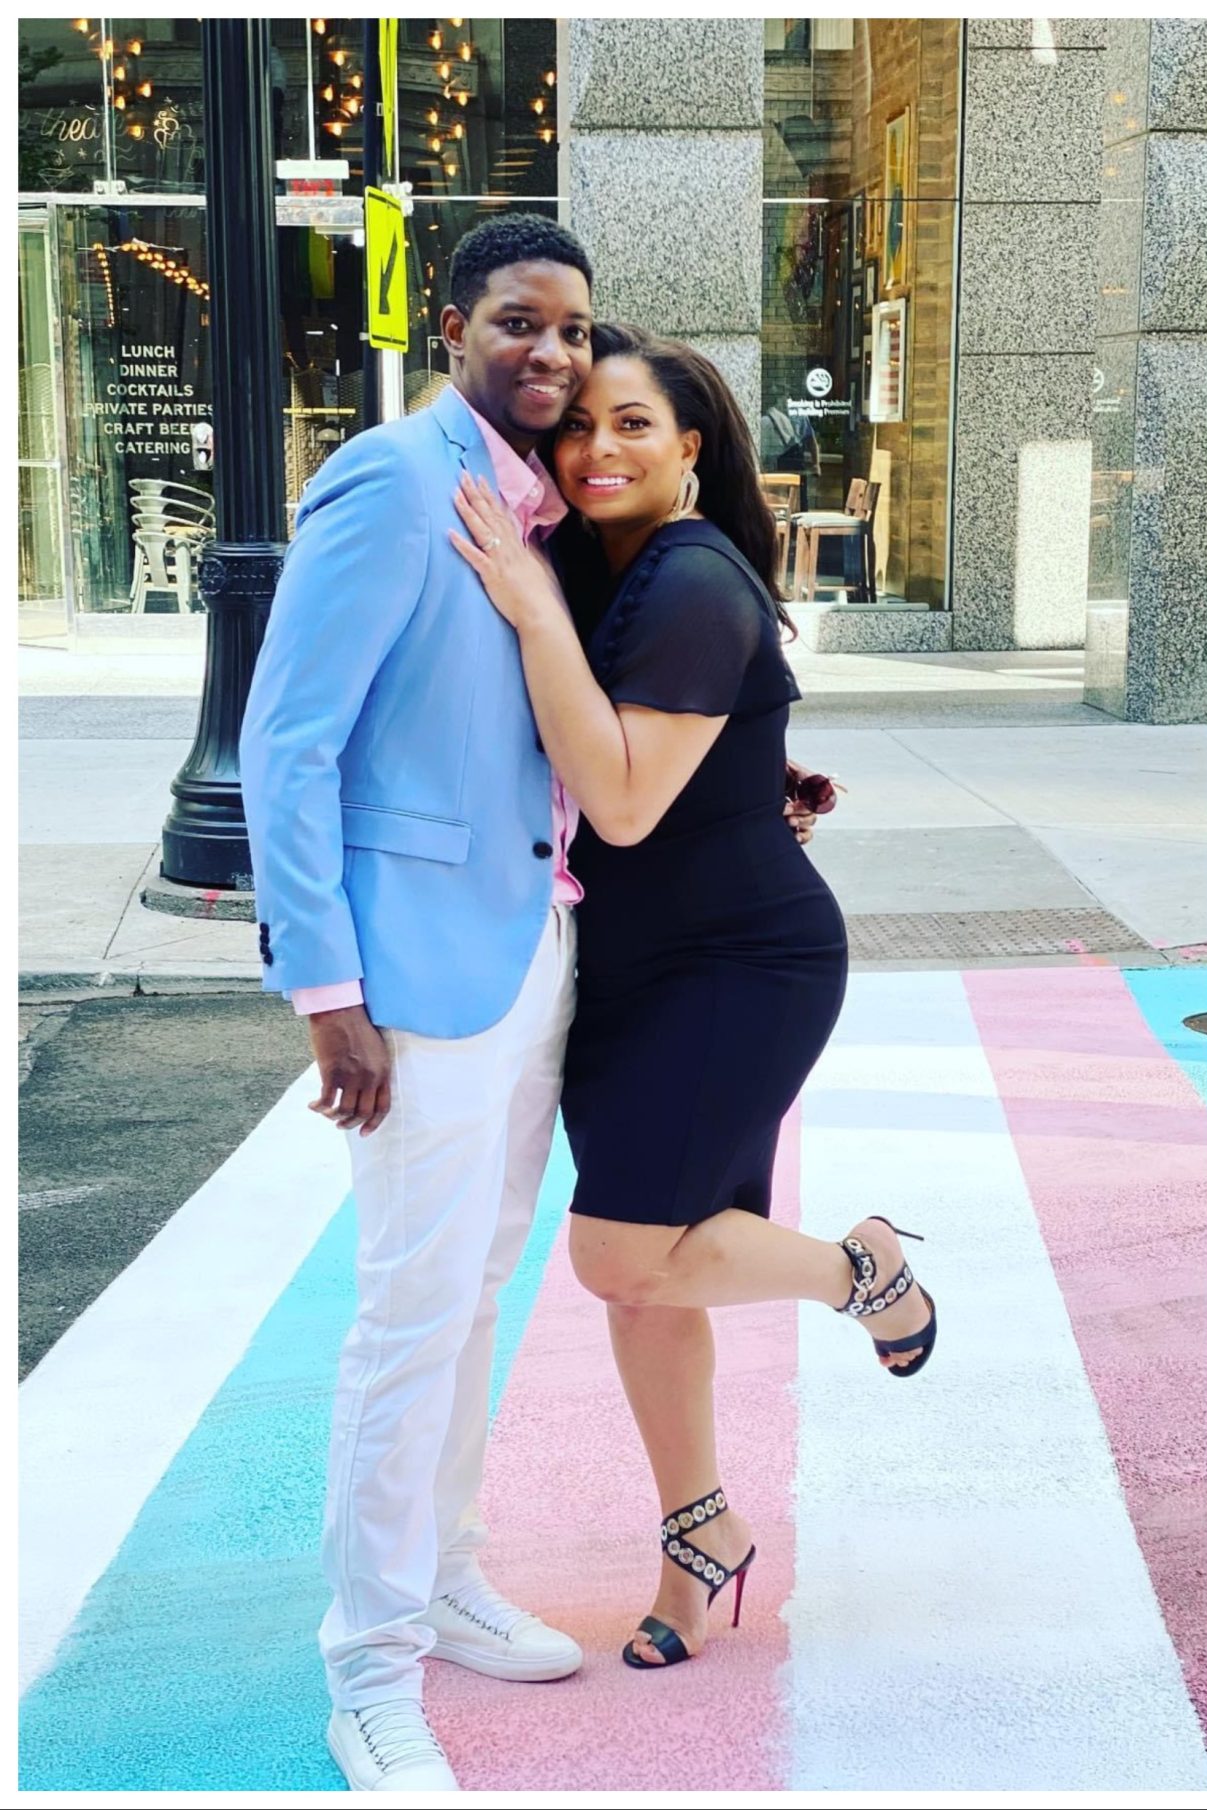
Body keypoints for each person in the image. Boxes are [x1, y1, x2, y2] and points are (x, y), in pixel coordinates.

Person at [447, 320, 936, 1683]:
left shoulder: (694, 577)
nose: (597, 448)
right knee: (653, 1282)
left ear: (691, 448)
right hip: (629, 969)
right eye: (578, 428)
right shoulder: (589, 567)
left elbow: (619, 792)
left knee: (617, 1250)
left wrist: (533, 611)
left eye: (633, 426)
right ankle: (698, 1538)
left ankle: (865, 1269)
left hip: (741, 962)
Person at [244, 215, 600, 1793]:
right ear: (455, 324)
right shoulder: (394, 479)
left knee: (473, 1301)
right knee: (407, 1320)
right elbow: (288, 739)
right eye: (520, 321)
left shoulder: (541, 502)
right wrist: (328, 988)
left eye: (576, 331)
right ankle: (367, 1667)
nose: (553, 352)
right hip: (413, 978)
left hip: (531, 954)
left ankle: (444, 1577)